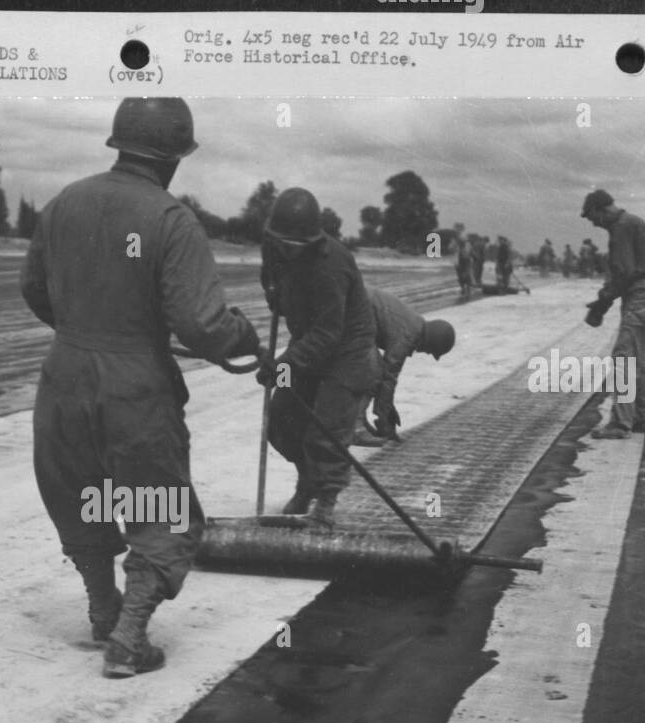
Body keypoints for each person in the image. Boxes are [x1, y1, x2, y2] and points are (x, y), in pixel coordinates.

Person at [21, 97, 260, 678]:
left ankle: (103, 611)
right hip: (134, 390)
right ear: (176, 156)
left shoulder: (63, 204)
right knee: (159, 507)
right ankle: (127, 638)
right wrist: (242, 336)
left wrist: (88, 332)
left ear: (119, 144)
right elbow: (201, 325)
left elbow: (33, 288)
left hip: (62, 380)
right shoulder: (170, 219)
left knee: (84, 496)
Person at [257, 186, 380, 527]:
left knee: (325, 432)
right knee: (281, 419)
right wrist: (274, 295)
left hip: (347, 354)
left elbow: (329, 332)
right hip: (307, 344)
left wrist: (284, 362)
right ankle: (308, 480)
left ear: (311, 241)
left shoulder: (332, 263)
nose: (287, 251)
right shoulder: (274, 247)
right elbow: (271, 282)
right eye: (282, 244)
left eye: (295, 247)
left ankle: (325, 502)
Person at [580, 188, 645, 438]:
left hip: (641, 292)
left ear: (601, 210)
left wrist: (601, 304)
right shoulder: (631, 223)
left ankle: (620, 423)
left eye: (592, 217)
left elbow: (622, 274)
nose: (593, 223)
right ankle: (638, 418)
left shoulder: (621, 228)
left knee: (624, 356)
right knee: (637, 357)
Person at [364, 287, 456, 441]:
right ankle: (356, 423)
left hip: (362, 309)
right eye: (430, 351)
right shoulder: (408, 334)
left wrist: (386, 408)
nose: (425, 353)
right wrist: (384, 414)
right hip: (357, 312)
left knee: (375, 369)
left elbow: (387, 376)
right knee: (370, 371)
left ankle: (359, 421)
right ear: (430, 342)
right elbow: (388, 375)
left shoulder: (415, 325)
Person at [455, 236, 474, 300]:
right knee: (461, 278)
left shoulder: (467, 246)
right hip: (460, 264)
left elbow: (470, 254)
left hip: (466, 263)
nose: (461, 243)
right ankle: (463, 289)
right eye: (460, 242)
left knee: (467, 277)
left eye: (462, 242)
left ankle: (468, 291)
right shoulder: (458, 247)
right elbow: (456, 256)